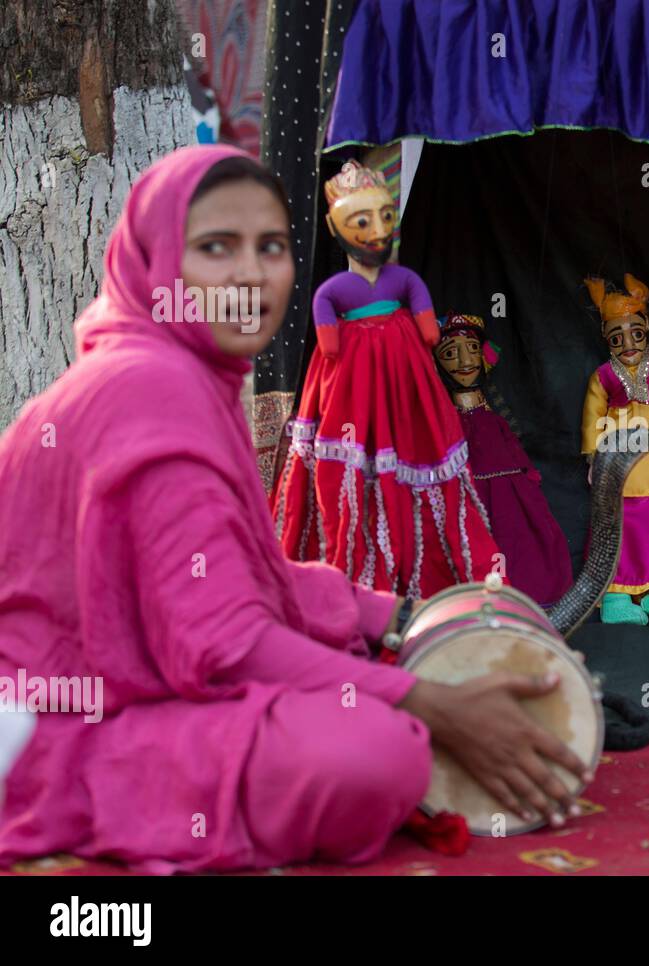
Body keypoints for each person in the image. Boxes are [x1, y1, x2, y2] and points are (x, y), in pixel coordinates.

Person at [0, 146, 587, 874]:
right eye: (216, 247)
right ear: (154, 262)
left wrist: (395, 619)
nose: (251, 273)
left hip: (112, 688)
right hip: (56, 726)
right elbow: (222, 641)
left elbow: (240, 573)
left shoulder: (181, 370)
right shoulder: (149, 389)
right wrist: (429, 703)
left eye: (271, 246)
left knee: (355, 670)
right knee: (370, 753)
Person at [271, 161, 498, 599]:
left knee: (411, 443)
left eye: (384, 218)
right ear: (336, 227)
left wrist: (424, 332)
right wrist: (340, 342)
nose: (376, 231)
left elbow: (425, 323)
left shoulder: (401, 280)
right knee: (358, 454)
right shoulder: (338, 289)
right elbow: (330, 324)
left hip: (399, 370)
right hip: (352, 378)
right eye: (362, 221)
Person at [435, 312, 573, 606]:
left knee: (521, 539)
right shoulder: (446, 423)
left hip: (509, 486)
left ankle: (530, 591)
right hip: (467, 488)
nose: (464, 361)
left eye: (472, 349)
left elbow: (510, 445)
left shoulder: (495, 420)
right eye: (450, 353)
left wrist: (527, 474)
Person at [580, 274, 649, 625]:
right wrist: (592, 457)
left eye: (636, 333)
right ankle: (615, 595)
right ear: (606, 338)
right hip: (618, 460)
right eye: (617, 337)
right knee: (619, 524)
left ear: (647, 328)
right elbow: (592, 417)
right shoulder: (603, 376)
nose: (628, 343)